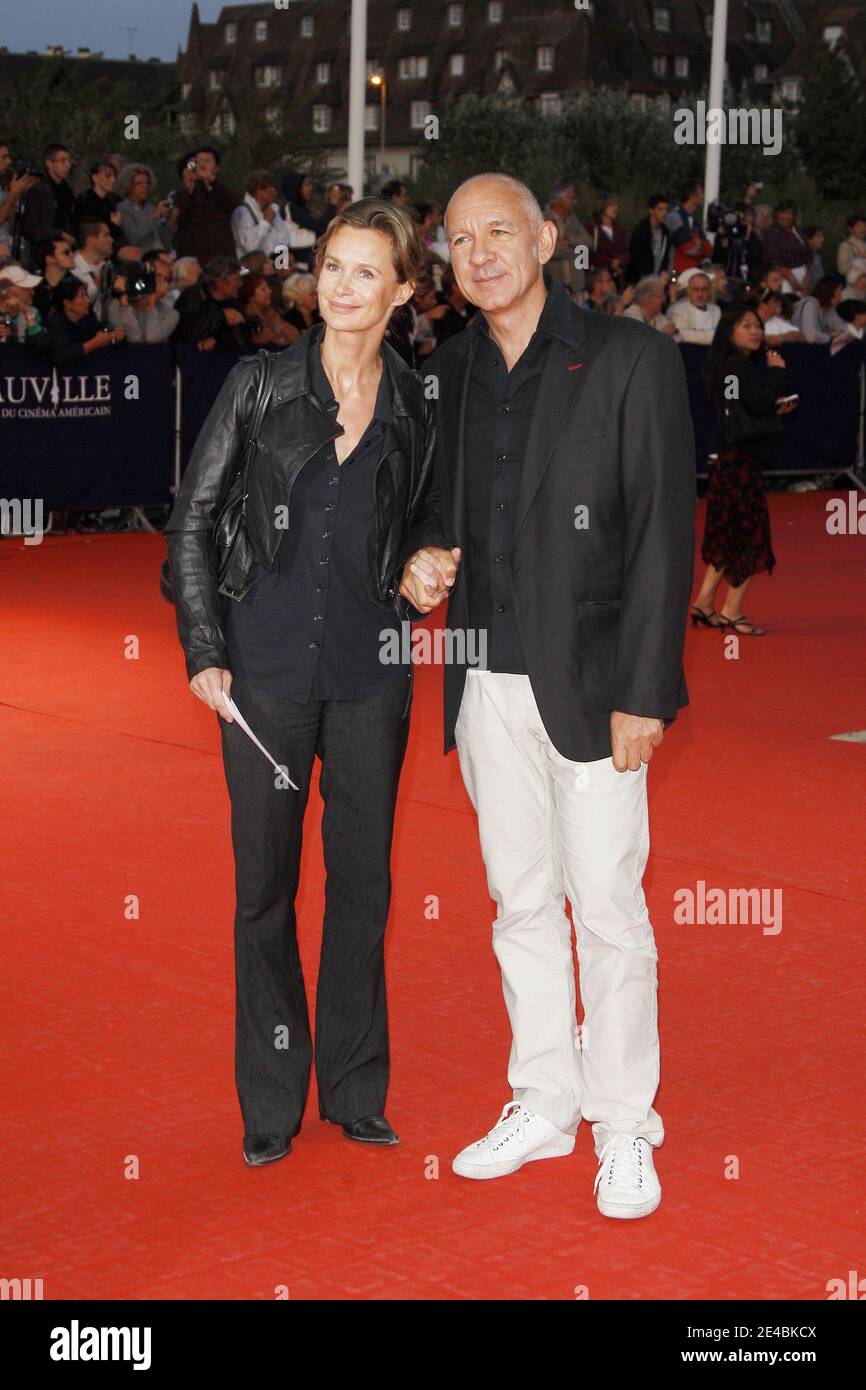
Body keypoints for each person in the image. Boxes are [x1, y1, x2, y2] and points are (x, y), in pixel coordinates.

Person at [398, 172, 695, 1218]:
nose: (478, 253)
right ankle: (543, 1099)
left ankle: (624, 1125)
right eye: (459, 239)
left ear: (545, 238)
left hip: (596, 682)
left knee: (607, 909)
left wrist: (645, 688)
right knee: (517, 902)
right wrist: (418, 565)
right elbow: (429, 516)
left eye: (498, 233)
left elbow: (664, 532)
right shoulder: (442, 372)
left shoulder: (629, 357)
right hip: (485, 682)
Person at [164, 197, 437, 1166]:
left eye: (367, 272)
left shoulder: (416, 401)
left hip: (372, 674)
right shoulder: (258, 385)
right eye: (331, 264)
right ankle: (272, 1096)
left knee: (363, 888)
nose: (341, 285)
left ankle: (356, 1089)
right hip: (266, 677)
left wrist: (424, 563)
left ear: (403, 289)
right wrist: (205, 646)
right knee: (264, 893)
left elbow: (426, 526)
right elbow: (191, 524)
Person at [690, 307, 796, 636]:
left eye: (758, 326)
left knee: (727, 533)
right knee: (750, 536)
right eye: (746, 326)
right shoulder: (738, 365)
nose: (755, 332)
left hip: (728, 460)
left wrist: (768, 408)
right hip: (739, 464)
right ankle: (732, 611)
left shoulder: (727, 366)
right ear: (730, 331)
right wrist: (777, 374)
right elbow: (756, 404)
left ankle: (705, 602)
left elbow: (741, 408)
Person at [173, 255, 251, 351]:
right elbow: (185, 330)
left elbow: (241, 339)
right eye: (235, 279)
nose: (240, 283)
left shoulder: (232, 301)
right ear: (220, 281)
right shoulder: (192, 297)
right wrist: (221, 316)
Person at [174, 147, 237, 263]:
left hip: (220, 253)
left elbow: (232, 204)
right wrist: (189, 188)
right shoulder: (184, 192)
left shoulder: (220, 189)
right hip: (193, 254)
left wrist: (210, 180)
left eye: (207, 161)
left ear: (217, 168)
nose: (202, 165)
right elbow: (179, 219)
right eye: (198, 162)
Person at [46, 275, 125, 363]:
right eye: (82, 296)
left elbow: (100, 333)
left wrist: (113, 336)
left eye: (86, 295)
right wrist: (95, 343)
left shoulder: (89, 317)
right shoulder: (55, 323)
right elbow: (62, 355)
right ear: (67, 303)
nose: (88, 301)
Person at [106, 257, 179, 342]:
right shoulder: (117, 305)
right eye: (156, 276)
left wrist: (151, 305)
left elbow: (152, 339)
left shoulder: (171, 313)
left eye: (166, 279)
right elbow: (133, 339)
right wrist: (124, 305)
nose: (160, 282)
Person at [231, 170, 296, 261]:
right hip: (251, 270)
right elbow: (249, 247)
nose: (275, 192)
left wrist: (280, 265)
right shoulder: (242, 213)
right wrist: (265, 222)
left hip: (275, 267)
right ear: (259, 191)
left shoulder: (272, 210)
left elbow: (284, 239)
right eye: (271, 189)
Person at [19, 144, 76, 246]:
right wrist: (59, 234)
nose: (68, 165)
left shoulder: (67, 191)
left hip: (66, 244)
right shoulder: (38, 190)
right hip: (45, 247)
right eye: (62, 160)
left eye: (69, 160)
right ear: (49, 163)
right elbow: (31, 229)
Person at [544, 182, 592, 298]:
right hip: (553, 288)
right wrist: (575, 251)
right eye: (572, 198)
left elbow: (589, 242)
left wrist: (569, 240)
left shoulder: (572, 220)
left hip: (577, 288)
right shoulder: (542, 220)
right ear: (560, 199)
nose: (575, 202)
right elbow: (548, 250)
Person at [115, 164, 173, 254]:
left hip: (163, 253)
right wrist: (153, 216)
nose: (144, 186)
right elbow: (133, 238)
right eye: (139, 183)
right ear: (129, 186)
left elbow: (167, 238)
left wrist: (166, 219)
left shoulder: (151, 206)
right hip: (143, 256)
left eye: (146, 183)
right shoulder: (124, 207)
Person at [74, 159, 123, 252]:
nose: (113, 180)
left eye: (114, 176)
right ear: (95, 178)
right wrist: (115, 225)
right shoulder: (85, 200)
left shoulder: (114, 201)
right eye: (108, 176)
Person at [238, 270, 298, 346]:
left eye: (268, 287)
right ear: (250, 295)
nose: (270, 291)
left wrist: (280, 337)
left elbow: (294, 334)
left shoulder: (269, 311)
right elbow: (264, 338)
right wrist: (280, 335)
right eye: (263, 289)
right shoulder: (247, 317)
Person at [761, 201, 810, 291]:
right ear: (777, 214)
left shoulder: (798, 231)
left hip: (803, 277)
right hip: (783, 279)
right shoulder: (772, 233)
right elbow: (774, 261)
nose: (786, 216)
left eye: (789, 213)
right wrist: (792, 279)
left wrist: (807, 275)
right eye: (783, 213)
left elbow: (807, 255)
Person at [665, 180, 711, 276]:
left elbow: (709, 249)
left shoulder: (694, 220)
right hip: (674, 273)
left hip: (690, 274)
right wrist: (699, 244)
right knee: (674, 289)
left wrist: (699, 244)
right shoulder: (675, 217)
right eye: (701, 192)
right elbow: (690, 249)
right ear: (692, 195)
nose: (703, 196)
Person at [626, 193, 671, 285]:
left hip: (658, 280)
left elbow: (665, 257)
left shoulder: (665, 232)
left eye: (666, 209)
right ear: (651, 210)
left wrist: (663, 272)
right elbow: (636, 258)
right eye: (660, 209)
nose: (664, 213)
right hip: (640, 281)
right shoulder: (640, 231)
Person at [72, 219, 114, 319]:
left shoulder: (107, 265)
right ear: (90, 240)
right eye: (106, 235)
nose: (111, 239)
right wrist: (94, 288)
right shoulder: (73, 269)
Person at [666, 269, 721, 344]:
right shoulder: (677, 310)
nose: (700, 294)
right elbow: (679, 336)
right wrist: (713, 336)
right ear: (688, 291)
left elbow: (722, 336)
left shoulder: (716, 310)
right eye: (695, 289)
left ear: (709, 291)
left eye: (704, 289)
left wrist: (689, 333)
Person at [31, 232, 77, 319]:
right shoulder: (35, 291)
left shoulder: (76, 285)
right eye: (66, 252)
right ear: (50, 259)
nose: (72, 255)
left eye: (71, 251)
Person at [586, 192, 629, 287]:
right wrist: (610, 262)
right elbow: (588, 255)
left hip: (616, 281)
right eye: (612, 205)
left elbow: (626, 252)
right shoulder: (591, 229)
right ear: (602, 206)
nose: (616, 208)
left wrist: (620, 261)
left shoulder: (619, 231)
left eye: (616, 205)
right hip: (598, 282)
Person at [790, 273, 847, 343]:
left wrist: (840, 333)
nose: (840, 297)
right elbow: (811, 337)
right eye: (839, 292)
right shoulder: (810, 305)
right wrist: (830, 336)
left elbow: (843, 329)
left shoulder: (829, 309)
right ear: (830, 292)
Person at [836, 213, 866, 278]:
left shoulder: (864, 244)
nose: (863, 229)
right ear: (850, 229)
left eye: (864, 226)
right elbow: (842, 270)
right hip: (855, 286)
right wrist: (859, 258)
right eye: (859, 226)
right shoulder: (845, 246)